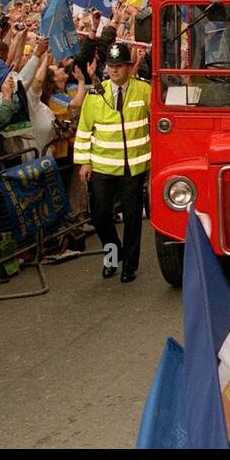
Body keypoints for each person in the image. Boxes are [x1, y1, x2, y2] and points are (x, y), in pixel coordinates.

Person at [74, 41, 151, 283]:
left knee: (132, 219)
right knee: (100, 216)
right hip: (103, 166)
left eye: (119, 66)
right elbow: (85, 129)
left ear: (129, 67)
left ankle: (128, 266)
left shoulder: (144, 90)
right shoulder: (96, 94)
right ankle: (112, 253)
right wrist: (84, 162)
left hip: (134, 167)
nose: (114, 70)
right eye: (111, 66)